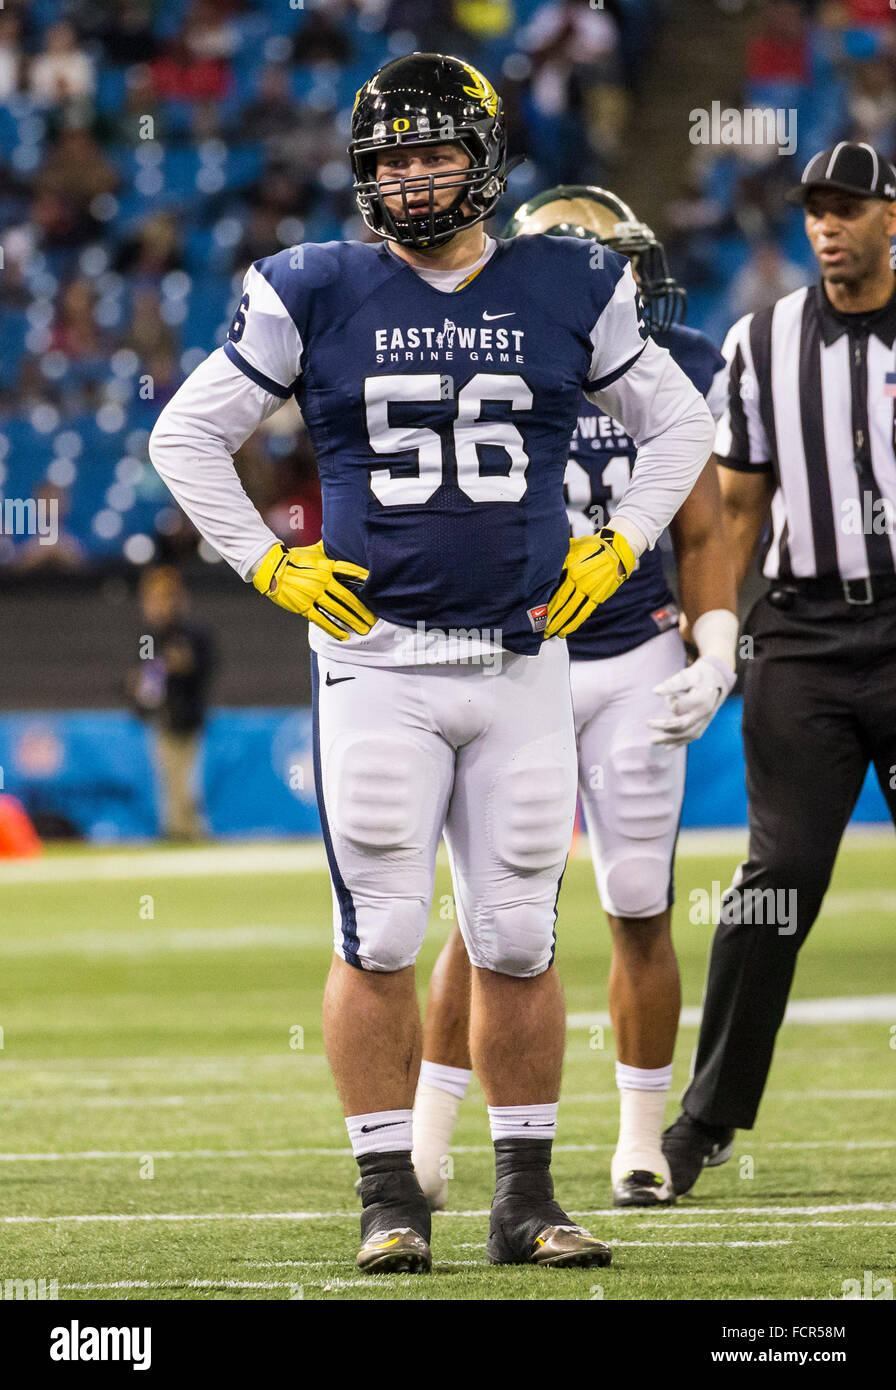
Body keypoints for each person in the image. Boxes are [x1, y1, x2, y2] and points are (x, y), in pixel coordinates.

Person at [149, 53, 714, 1274]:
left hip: (520, 656)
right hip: (379, 660)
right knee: (385, 933)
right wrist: (265, 560)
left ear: (485, 155)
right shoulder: (312, 285)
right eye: (386, 159)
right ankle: (388, 1194)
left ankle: (524, 1196)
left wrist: (618, 546)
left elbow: (682, 424)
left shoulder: (570, 279)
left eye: (430, 152)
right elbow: (184, 433)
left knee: (517, 934)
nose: (407, 179)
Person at [411, 187, 737, 1211]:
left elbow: (702, 527)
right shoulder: (477, 347)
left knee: (637, 896)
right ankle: (421, 1143)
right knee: (484, 915)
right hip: (518, 654)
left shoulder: (677, 363)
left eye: (615, 260)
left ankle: (640, 1137)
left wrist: (714, 645)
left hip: (634, 650)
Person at [662, 141, 896, 1196]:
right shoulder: (759, 341)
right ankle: (702, 1118)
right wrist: (717, 622)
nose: (825, 226)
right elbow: (740, 504)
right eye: (814, 210)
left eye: (846, 208)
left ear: (889, 217)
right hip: (801, 635)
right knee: (777, 877)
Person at [127, 566, 216, 842]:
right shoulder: (150, 636)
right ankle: (175, 829)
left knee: (188, 781)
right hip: (163, 717)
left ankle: (191, 829)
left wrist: (181, 665)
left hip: (188, 716)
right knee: (169, 778)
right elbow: (145, 673)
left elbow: (202, 667)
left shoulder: (192, 633)